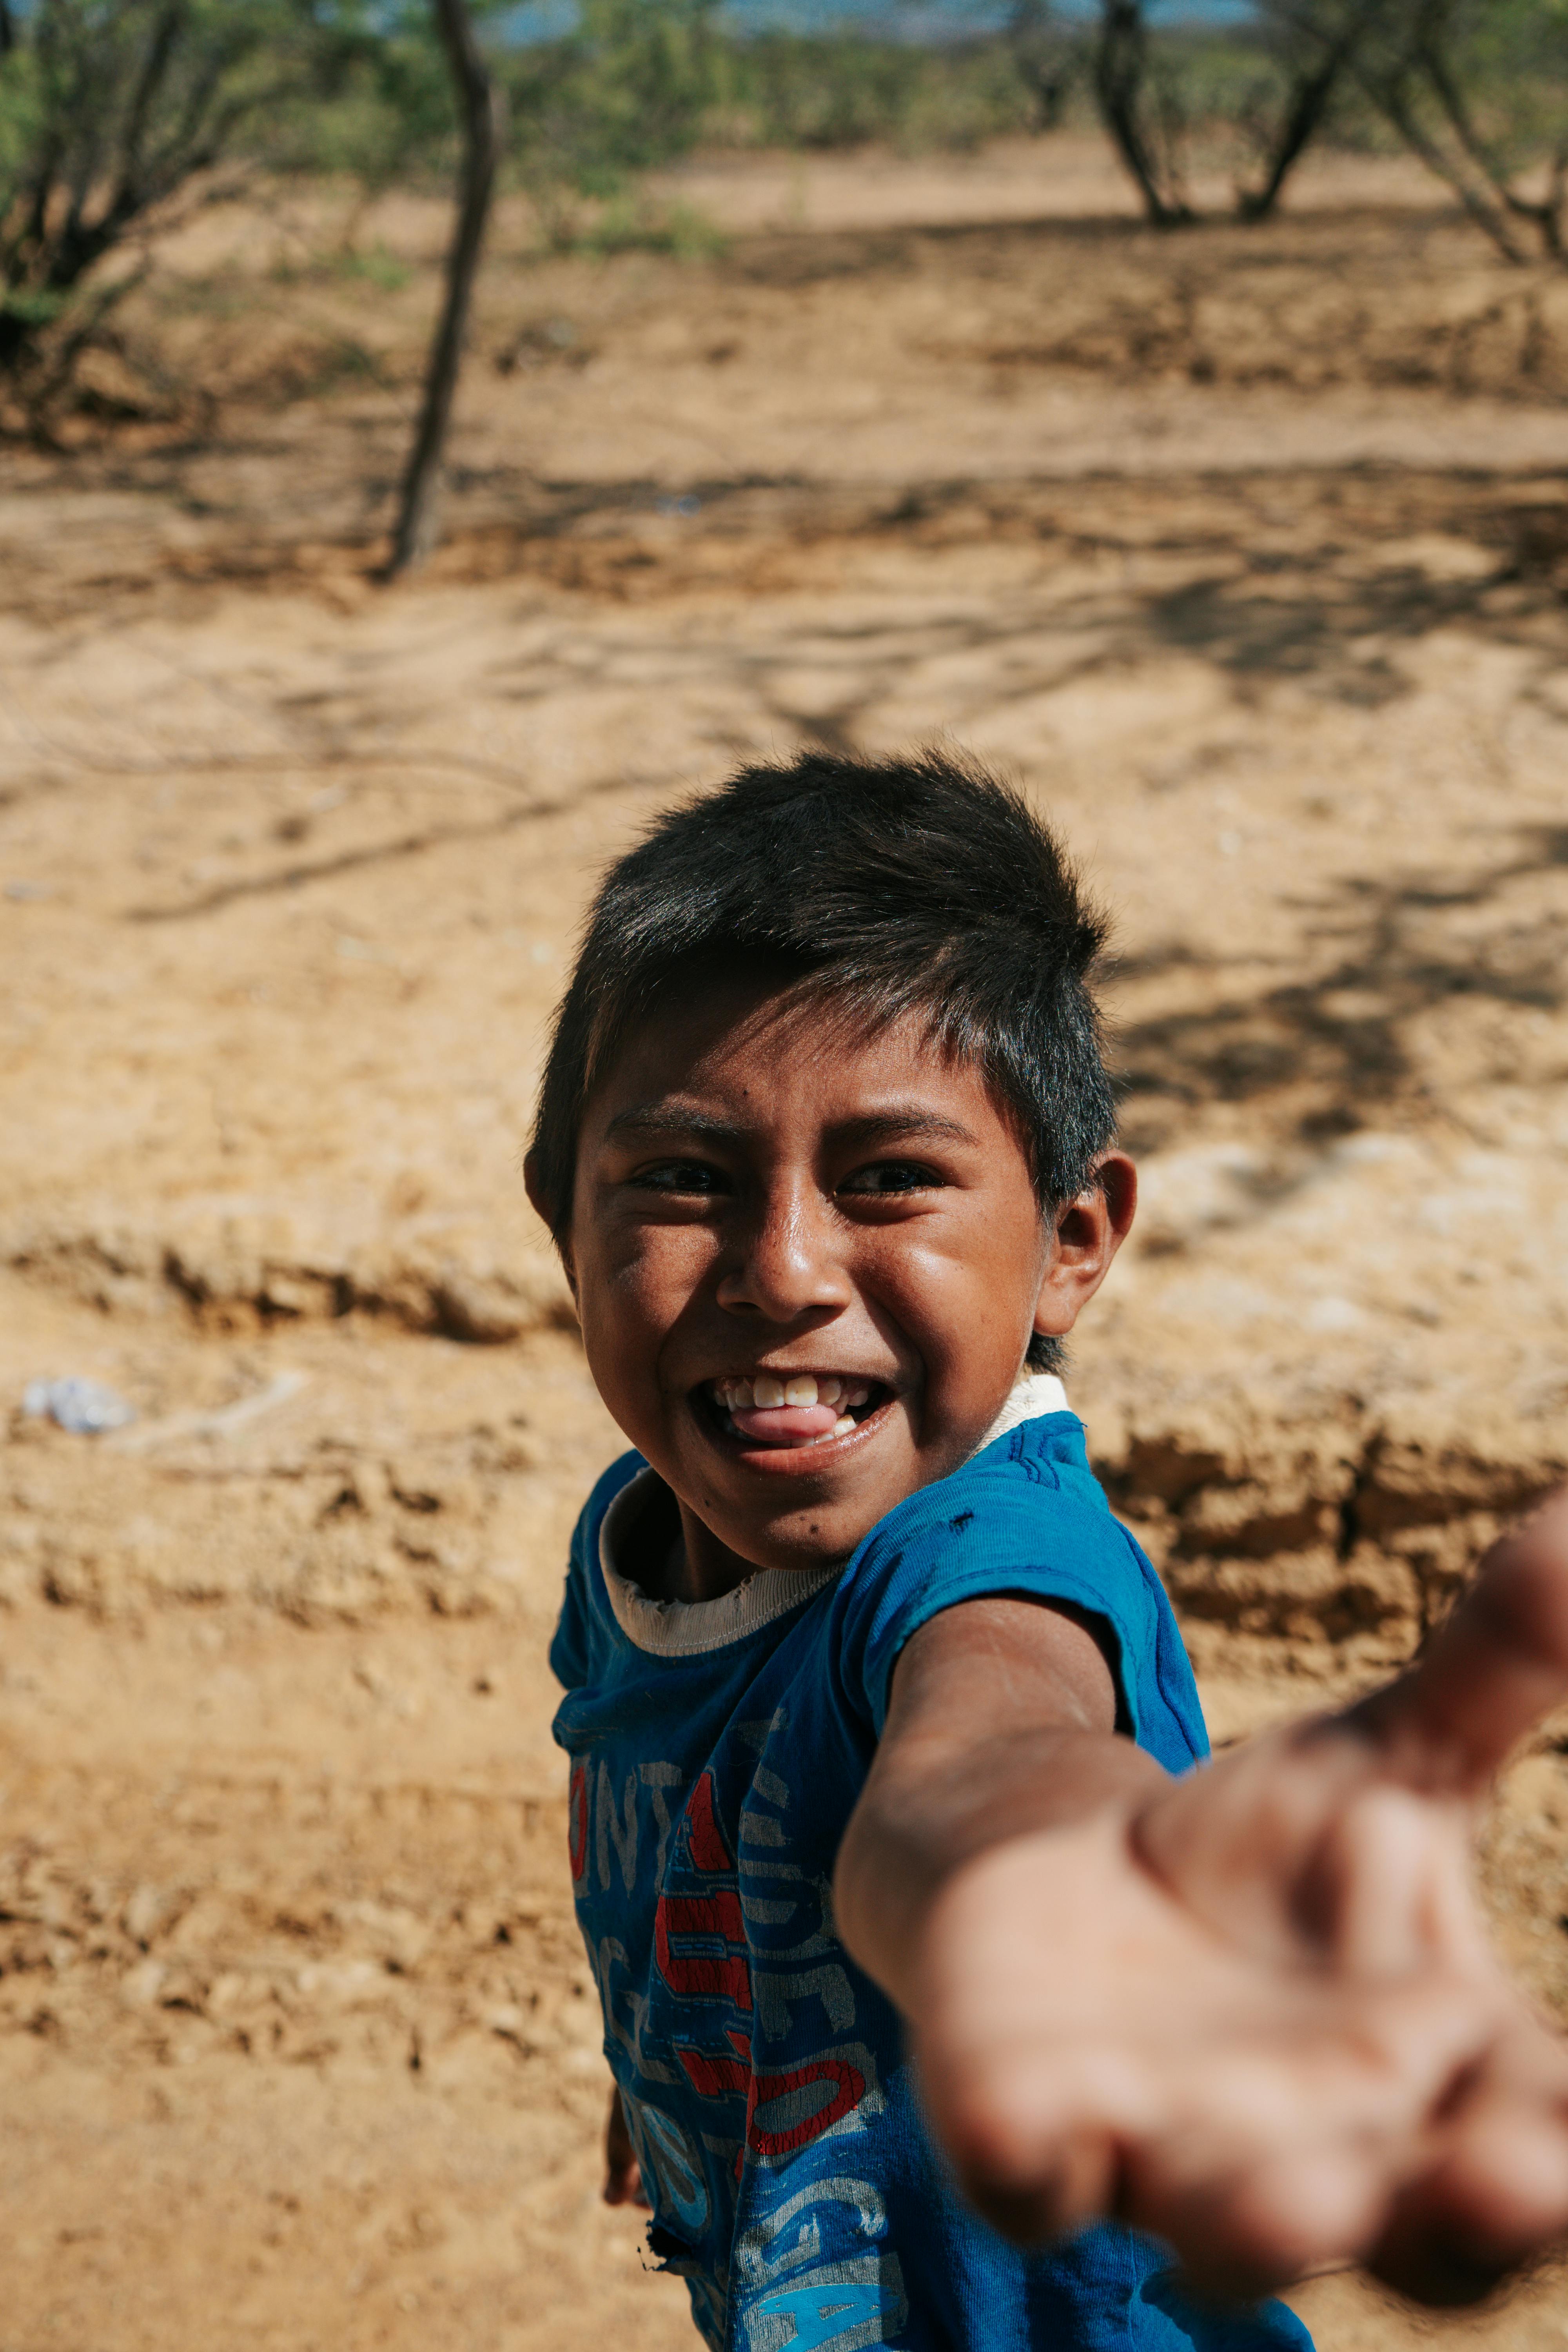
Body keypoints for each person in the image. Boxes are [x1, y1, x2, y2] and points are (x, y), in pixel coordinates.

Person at [525, 749, 1568, 2352]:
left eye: (890, 1182)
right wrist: (682, 2078)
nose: (783, 1268)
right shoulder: (644, 1536)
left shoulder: (989, 1563)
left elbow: (990, 1750)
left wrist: (1067, 1892)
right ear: (559, 1223)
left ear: (1071, 1245)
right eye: (681, 1179)